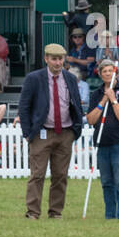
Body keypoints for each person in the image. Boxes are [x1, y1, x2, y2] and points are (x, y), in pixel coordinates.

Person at [19, 43, 86, 219]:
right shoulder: (34, 78)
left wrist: (75, 131)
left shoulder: (70, 78)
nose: (58, 63)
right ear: (46, 59)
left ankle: (56, 212)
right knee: (37, 174)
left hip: (65, 133)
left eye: (61, 59)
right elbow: (24, 106)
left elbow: (77, 104)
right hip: (41, 132)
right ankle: (33, 212)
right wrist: (27, 132)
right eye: (54, 59)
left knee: (60, 176)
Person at [86, 59, 119, 219]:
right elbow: (91, 120)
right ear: (100, 74)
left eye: (110, 71)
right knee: (106, 182)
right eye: (104, 71)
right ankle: (110, 215)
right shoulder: (96, 94)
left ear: (116, 74)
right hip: (102, 143)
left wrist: (113, 99)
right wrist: (103, 101)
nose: (107, 74)